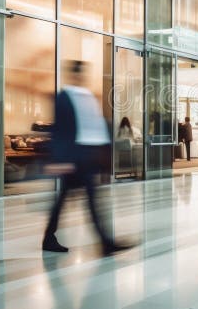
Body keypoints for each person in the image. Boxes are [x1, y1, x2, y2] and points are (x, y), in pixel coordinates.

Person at [42, 60, 130, 256]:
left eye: (82, 74)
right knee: (82, 199)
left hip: (88, 156)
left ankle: (51, 238)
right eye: (78, 74)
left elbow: (95, 126)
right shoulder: (64, 97)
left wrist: (105, 151)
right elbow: (60, 131)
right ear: (72, 75)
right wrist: (59, 160)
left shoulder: (88, 97)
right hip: (74, 157)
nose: (81, 77)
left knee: (80, 199)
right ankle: (104, 242)